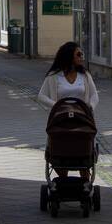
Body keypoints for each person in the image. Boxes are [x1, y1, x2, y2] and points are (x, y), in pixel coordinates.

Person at [38, 41, 99, 180]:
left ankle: (85, 183)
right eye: (78, 54)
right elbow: (41, 96)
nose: (81, 57)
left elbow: (94, 95)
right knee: (61, 152)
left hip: (82, 118)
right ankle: (62, 180)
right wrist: (56, 105)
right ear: (69, 56)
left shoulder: (85, 75)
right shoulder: (54, 76)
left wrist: (90, 106)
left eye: (82, 54)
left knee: (84, 150)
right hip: (61, 119)